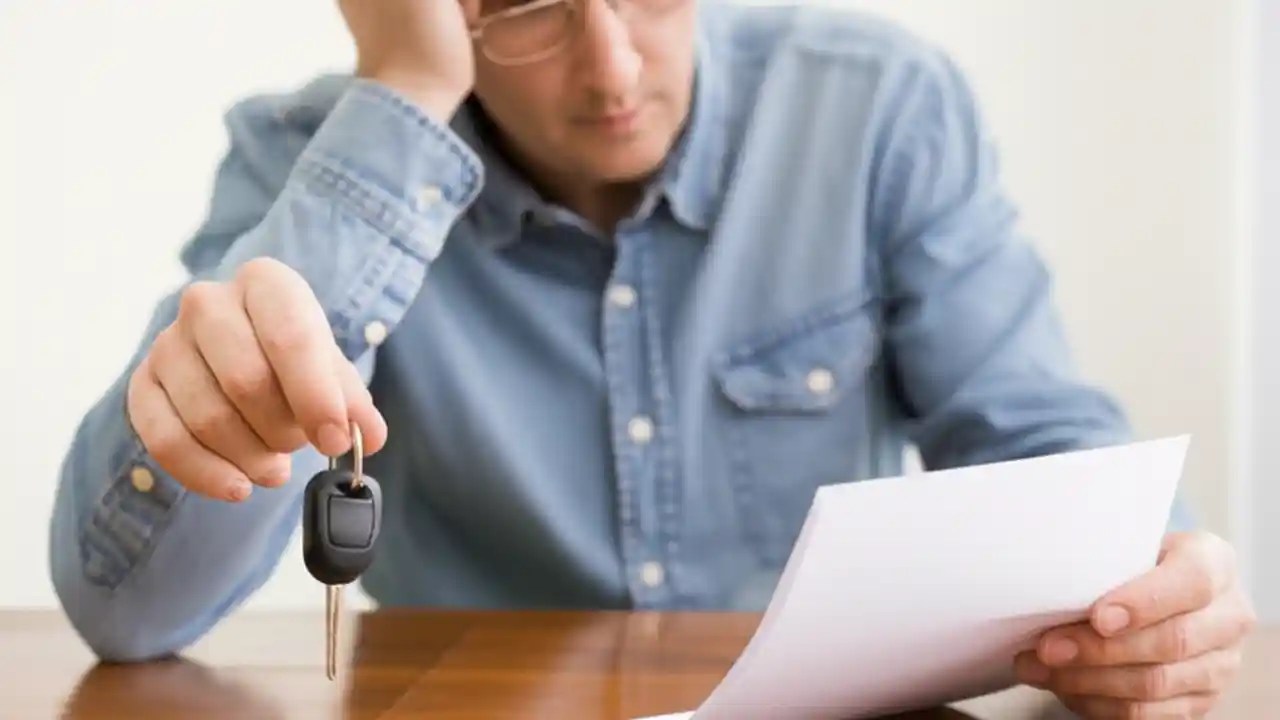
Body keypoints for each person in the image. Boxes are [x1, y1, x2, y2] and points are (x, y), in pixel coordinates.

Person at [50, 0, 1254, 716]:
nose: (614, 68)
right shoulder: (318, 159)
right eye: (530, 3)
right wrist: (406, 89)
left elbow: (1041, 441)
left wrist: (1149, 592)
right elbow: (130, 612)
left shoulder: (879, 107)